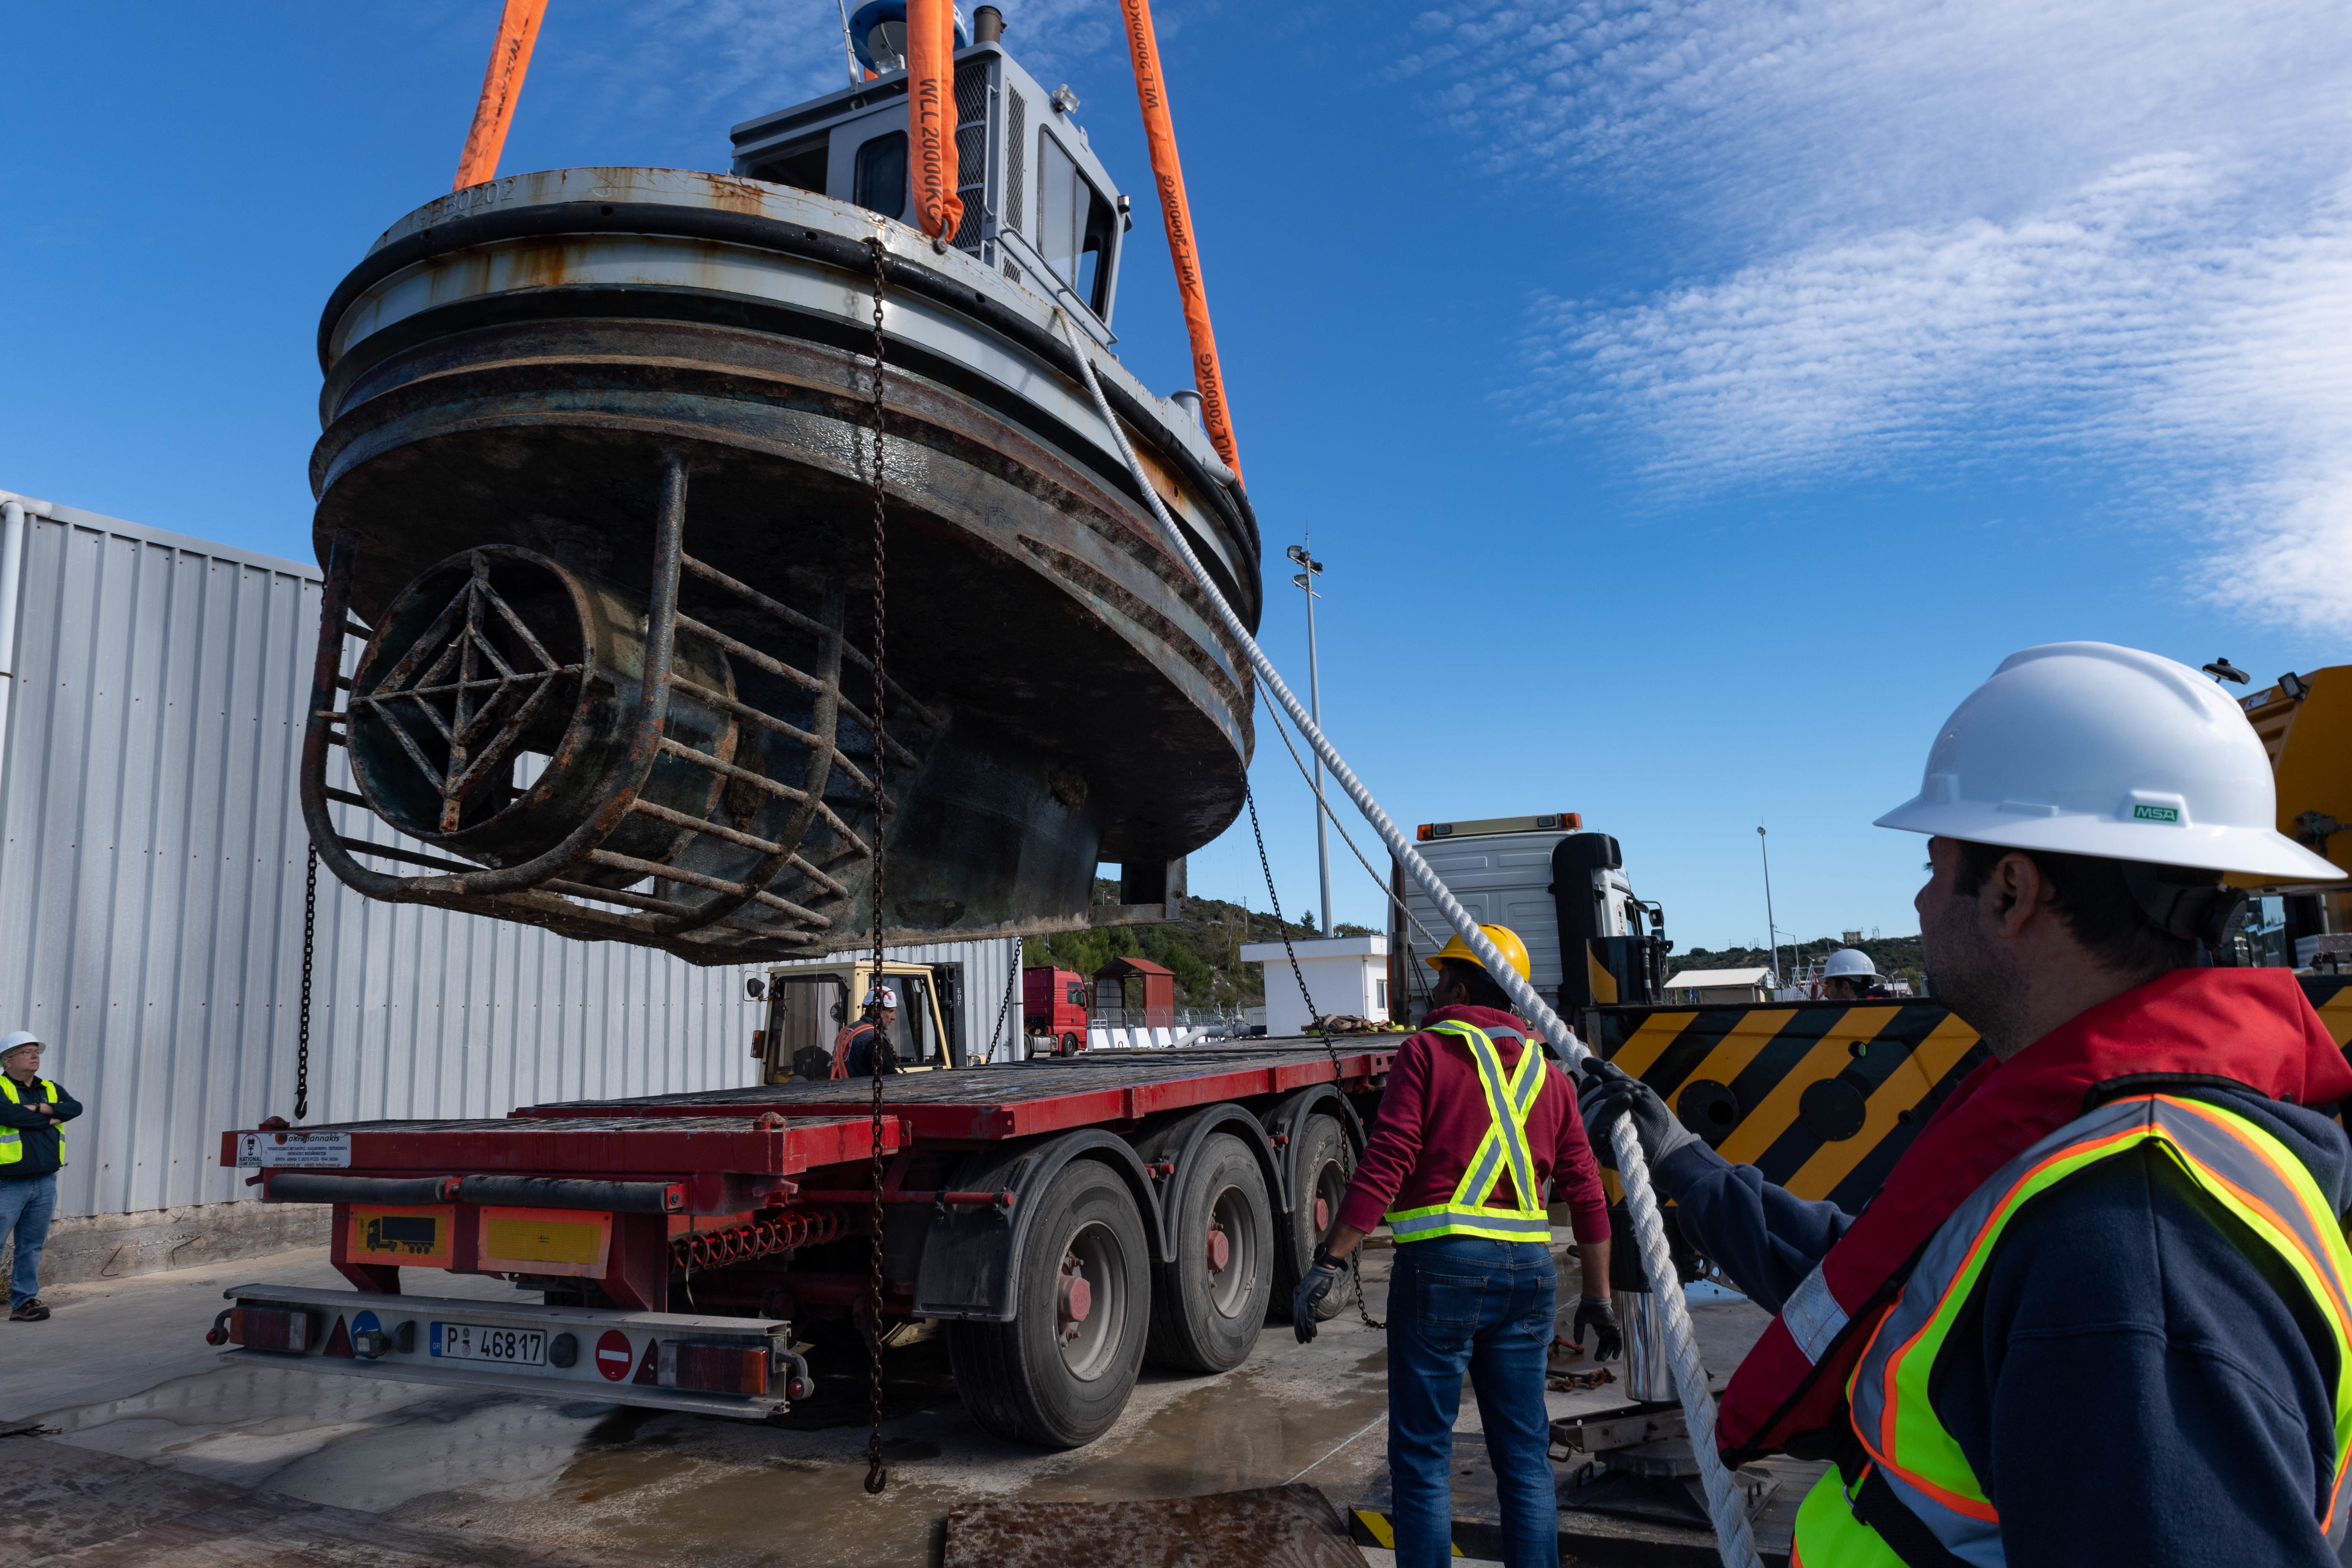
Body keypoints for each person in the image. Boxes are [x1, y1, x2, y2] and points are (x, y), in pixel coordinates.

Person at [1581, 642, 2352, 1566]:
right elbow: (1887, 1284)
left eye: (1936, 862)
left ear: (2013, 890)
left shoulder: (2128, 1250)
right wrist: (1685, 1165)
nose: (1916, 898)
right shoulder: (2115, 1146)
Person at [1294, 924, 1616, 1568]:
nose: (1432, 992)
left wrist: (1331, 1258)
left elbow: (1388, 1159)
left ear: (1464, 984)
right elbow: (1586, 1191)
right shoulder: (1551, 1075)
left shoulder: (1427, 1053)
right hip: (1529, 1279)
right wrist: (1599, 1298)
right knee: (1524, 1460)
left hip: (1443, 1273)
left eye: (1441, 979)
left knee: (1421, 1463)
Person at [0, 1030, 80, 1323]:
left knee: (31, 1246)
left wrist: (35, 1109)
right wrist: (50, 1116)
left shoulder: (49, 1087)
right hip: (7, 1182)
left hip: (45, 1181)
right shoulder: (0, 1086)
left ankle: (24, 1303)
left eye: (36, 1051)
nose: (35, 1056)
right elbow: (8, 1116)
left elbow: (75, 1108)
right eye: (27, 1052)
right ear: (8, 1061)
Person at [829, 985, 900, 1079]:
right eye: (890, 1011)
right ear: (876, 1011)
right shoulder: (874, 1039)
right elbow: (889, 1077)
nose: (894, 1017)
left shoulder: (848, 1031)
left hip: (840, 1089)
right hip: (860, 1091)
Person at [1815, 947, 1887, 1001]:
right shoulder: (1884, 1010)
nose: (1826, 994)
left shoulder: (1865, 1014)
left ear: (1846, 987)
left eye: (1829, 987)